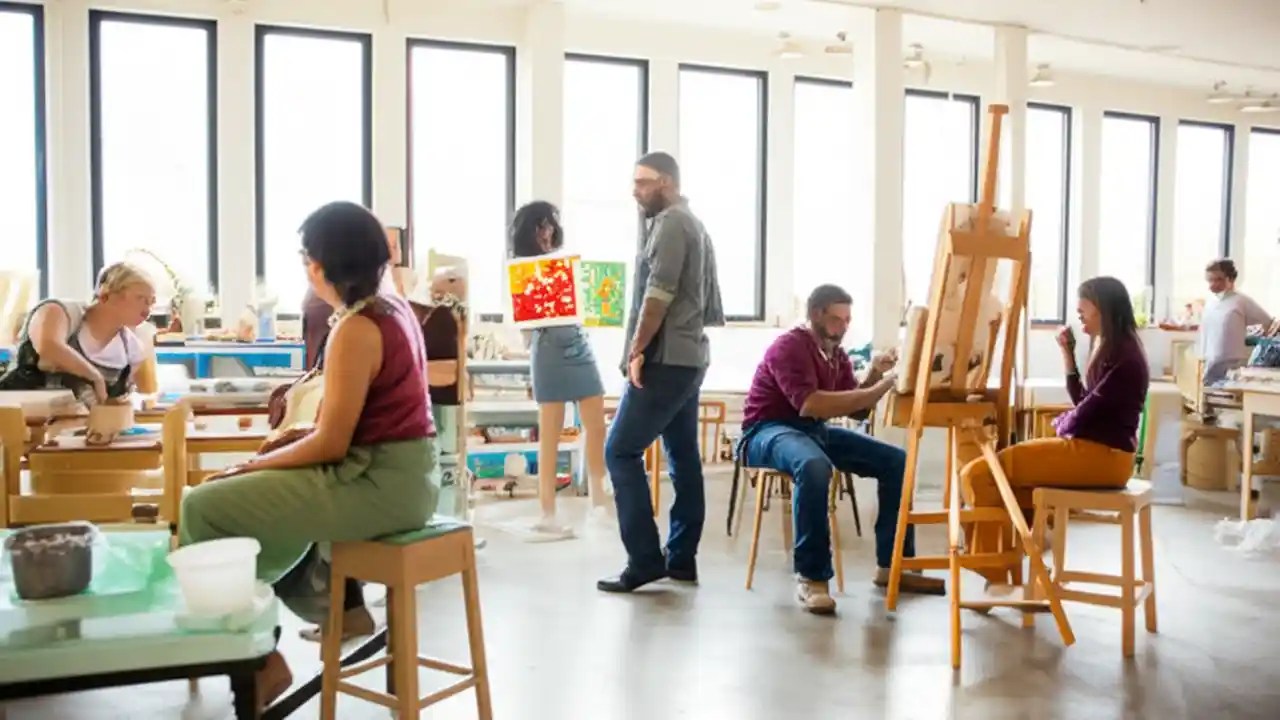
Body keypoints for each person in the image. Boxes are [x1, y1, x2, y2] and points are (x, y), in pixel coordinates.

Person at [178, 201, 439, 708]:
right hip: (401, 475)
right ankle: (321, 615)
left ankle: (258, 663)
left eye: (305, 257)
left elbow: (331, 443)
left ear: (319, 264)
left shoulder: (357, 327)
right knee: (244, 500)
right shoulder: (391, 306)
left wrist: (250, 465)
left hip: (382, 484)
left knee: (204, 505)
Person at [739, 285, 944, 614]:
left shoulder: (836, 354)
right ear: (816, 314)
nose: (844, 327)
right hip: (767, 430)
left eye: (848, 320)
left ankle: (894, 565)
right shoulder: (789, 347)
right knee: (814, 465)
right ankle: (811, 577)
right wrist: (881, 386)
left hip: (813, 430)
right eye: (837, 320)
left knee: (897, 462)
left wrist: (875, 372)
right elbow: (810, 403)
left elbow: (856, 410)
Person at [960, 276, 1149, 582]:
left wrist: (1061, 425)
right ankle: (1024, 553)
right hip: (1103, 454)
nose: (1080, 319)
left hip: (1104, 457)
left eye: (1082, 313)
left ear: (1101, 309)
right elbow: (1084, 400)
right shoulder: (1116, 348)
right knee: (1011, 485)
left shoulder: (1125, 356)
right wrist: (1068, 356)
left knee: (978, 474)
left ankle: (995, 562)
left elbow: (1084, 412)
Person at [597, 151, 724, 593]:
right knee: (683, 456)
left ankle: (646, 559)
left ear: (667, 182)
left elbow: (658, 294)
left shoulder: (671, 223)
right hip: (690, 359)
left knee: (619, 452)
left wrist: (636, 349)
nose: (635, 190)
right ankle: (682, 558)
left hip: (667, 359)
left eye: (643, 182)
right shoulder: (691, 222)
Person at [506, 200, 611, 540]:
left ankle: (599, 500)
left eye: (550, 225)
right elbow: (524, 321)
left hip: (578, 342)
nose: (547, 231)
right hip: (548, 346)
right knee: (549, 432)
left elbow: (589, 302)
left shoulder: (565, 262)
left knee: (596, 424)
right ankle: (547, 511)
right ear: (529, 230)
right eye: (540, 226)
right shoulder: (521, 268)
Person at [0, 262, 156, 405]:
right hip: (16, 423)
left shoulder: (131, 348)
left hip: (78, 432)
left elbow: (117, 403)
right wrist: (94, 377)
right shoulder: (60, 311)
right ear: (105, 295)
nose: (148, 307)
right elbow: (48, 346)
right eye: (141, 298)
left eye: (152, 301)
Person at [1200, 258, 1278, 385]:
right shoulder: (1210, 303)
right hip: (1211, 359)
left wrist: (1261, 339)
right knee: (1209, 393)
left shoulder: (1241, 301)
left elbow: (1268, 322)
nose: (1213, 284)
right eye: (1210, 280)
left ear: (1230, 279)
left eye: (1218, 279)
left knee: (1228, 394)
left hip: (1232, 361)